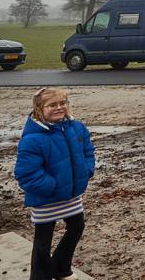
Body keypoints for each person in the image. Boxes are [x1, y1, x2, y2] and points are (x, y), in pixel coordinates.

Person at [14, 88, 95, 280]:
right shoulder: (32, 139)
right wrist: (51, 186)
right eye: (52, 105)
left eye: (62, 103)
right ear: (39, 109)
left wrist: (87, 169)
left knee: (77, 228)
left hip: (72, 195)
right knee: (43, 241)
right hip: (47, 198)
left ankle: (60, 268)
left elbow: (88, 150)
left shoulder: (76, 128)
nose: (59, 108)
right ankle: (40, 276)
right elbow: (26, 174)